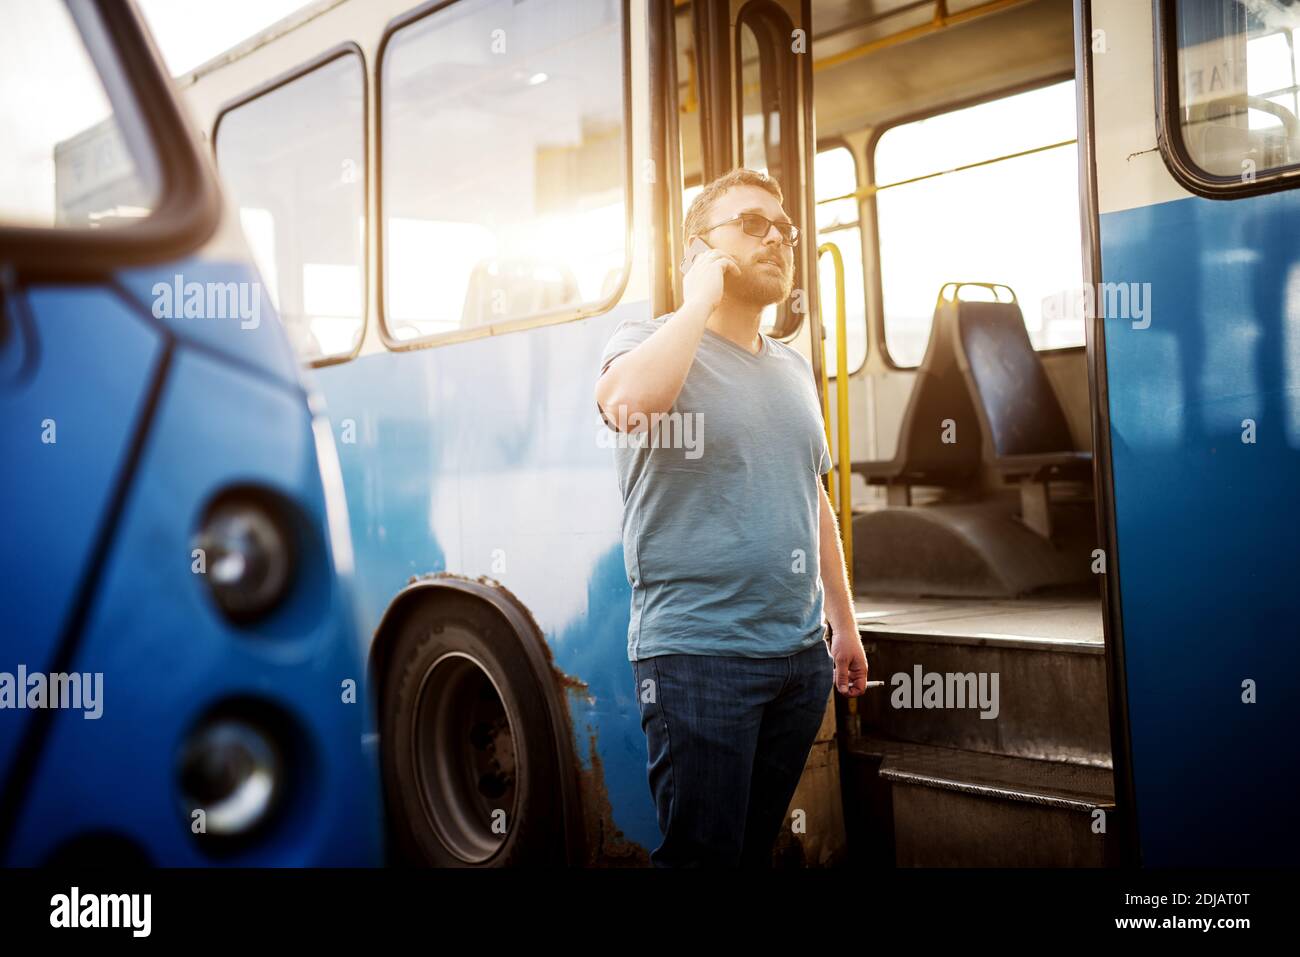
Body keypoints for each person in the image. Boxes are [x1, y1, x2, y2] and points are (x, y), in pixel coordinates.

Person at [594, 167, 869, 867]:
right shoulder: (647, 339)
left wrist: (843, 623)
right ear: (699, 250)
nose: (776, 237)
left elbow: (812, 497)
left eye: (785, 229)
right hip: (698, 658)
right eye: (752, 224)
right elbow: (625, 404)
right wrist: (697, 303)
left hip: (797, 661)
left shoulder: (792, 368)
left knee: (748, 851)